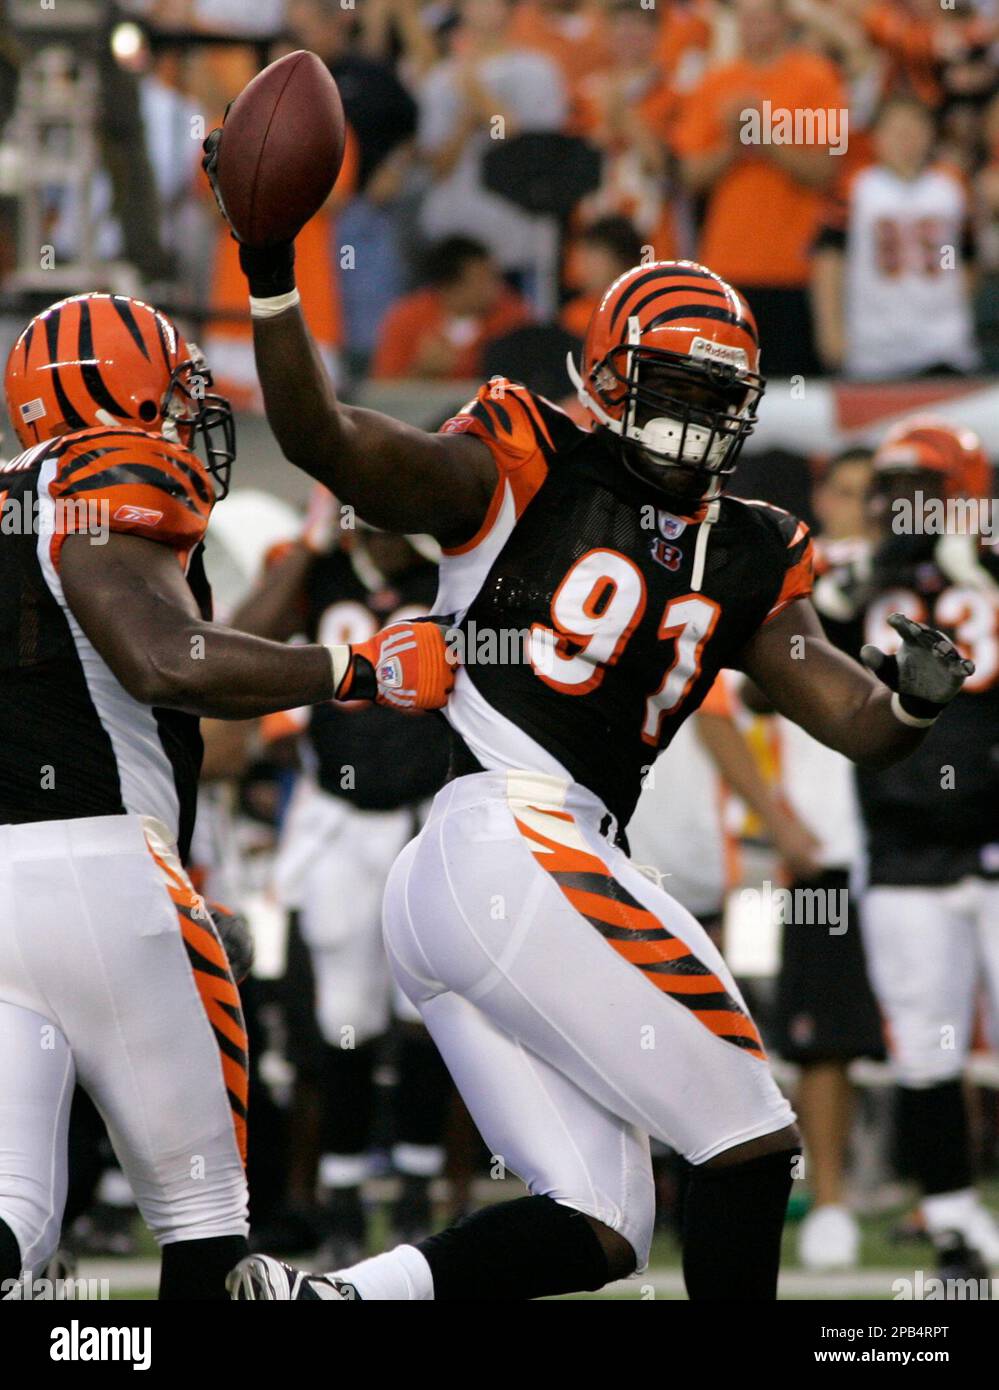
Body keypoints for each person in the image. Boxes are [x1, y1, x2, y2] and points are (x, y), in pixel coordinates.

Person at [204, 141, 975, 1297]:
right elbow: (324, 438)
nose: (695, 425)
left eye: (718, 401)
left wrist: (912, 698)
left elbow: (854, 717)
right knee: (751, 1140)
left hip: (484, 879)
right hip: (514, 843)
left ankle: (339, 1298)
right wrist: (270, 269)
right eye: (674, 393)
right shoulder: (520, 456)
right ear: (610, 378)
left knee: (605, 1220)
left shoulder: (750, 543)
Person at [0, 292, 454, 1300]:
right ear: (126, 395)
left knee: (16, 1220)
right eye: (171, 392)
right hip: (109, 874)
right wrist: (351, 667)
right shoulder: (103, 478)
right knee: (207, 1228)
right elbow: (167, 659)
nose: (185, 416)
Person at [814, 416, 999, 1280]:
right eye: (891, 488)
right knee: (924, 1051)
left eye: (917, 487)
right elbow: (800, 639)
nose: (899, 505)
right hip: (899, 849)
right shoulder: (861, 579)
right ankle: (956, 1226)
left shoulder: (987, 564)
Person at [673, 0, 846, 376]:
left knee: (794, 389)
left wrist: (766, 137)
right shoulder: (717, 82)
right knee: (730, 387)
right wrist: (734, 147)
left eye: (762, 17)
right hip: (728, 263)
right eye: (745, 18)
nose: (753, 27)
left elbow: (825, 170)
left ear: (783, 20)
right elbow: (688, 175)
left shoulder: (816, 77)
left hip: (796, 265)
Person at [811, 96, 981, 379]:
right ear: (876, 137)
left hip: (943, 343)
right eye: (896, 129)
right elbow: (829, 260)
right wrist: (831, 331)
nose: (906, 138)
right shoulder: (855, 188)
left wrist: (947, 300)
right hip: (874, 344)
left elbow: (967, 257)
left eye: (915, 128)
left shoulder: (951, 187)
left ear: (930, 134)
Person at [372, 236, 532, 380]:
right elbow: (383, 388)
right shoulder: (407, 318)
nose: (494, 288)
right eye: (480, 280)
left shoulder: (513, 317)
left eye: (494, 277)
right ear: (449, 285)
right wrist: (422, 372)